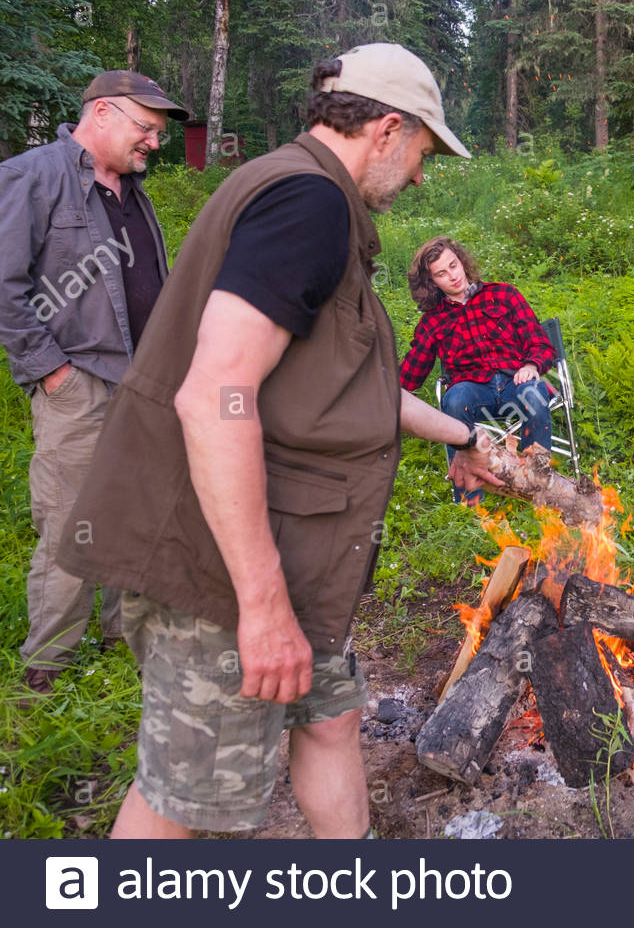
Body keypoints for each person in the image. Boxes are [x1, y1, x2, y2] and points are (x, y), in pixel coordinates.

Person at [57, 44, 499, 839]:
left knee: (328, 719)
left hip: (294, 557)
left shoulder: (305, 194)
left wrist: (464, 434)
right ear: (388, 129)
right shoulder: (309, 206)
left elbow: (343, 387)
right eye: (424, 154)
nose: (421, 176)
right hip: (218, 565)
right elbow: (214, 396)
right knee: (187, 797)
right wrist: (261, 610)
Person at [0, 71, 187, 695]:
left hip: (143, 383)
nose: (153, 144)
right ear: (102, 113)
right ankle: (47, 662)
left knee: (136, 512)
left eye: (158, 134)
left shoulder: (133, 189)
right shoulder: (35, 175)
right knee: (71, 521)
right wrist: (49, 370)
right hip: (78, 381)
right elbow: (5, 286)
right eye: (146, 129)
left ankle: (121, 632)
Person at [399, 236, 555, 502]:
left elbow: (540, 344)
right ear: (432, 282)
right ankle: (470, 498)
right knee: (455, 399)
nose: (452, 275)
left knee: (534, 393)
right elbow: (409, 377)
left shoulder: (503, 295)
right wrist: (375, 382)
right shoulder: (432, 321)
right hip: (472, 391)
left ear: (462, 262)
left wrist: (531, 365)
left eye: (454, 265)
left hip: (514, 383)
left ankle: (536, 486)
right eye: (441, 273)